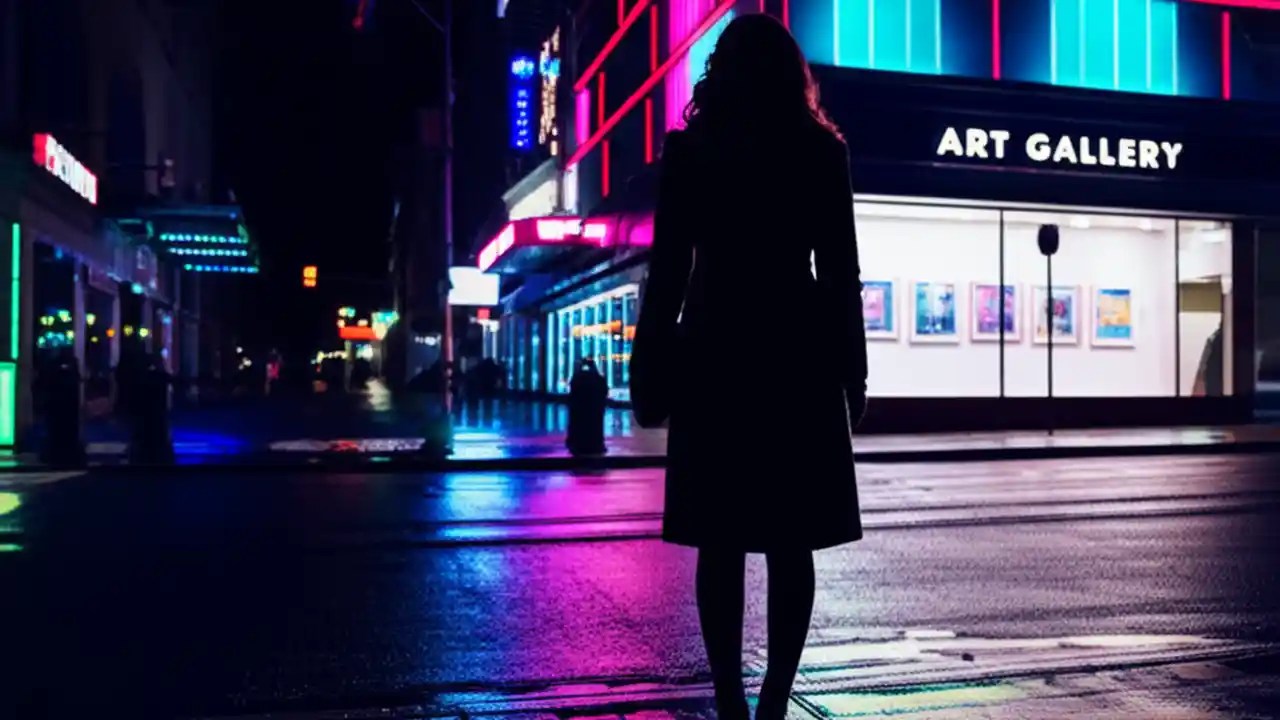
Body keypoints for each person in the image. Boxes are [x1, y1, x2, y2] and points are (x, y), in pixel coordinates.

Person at [629, 15, 868, 720]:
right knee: (793, 541)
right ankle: (774, 701)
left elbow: (668, 273)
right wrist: (853, 373)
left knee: (721, 537)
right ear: (793, 76)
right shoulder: (820, 152)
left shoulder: (693, 150)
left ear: (720, 73)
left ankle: (730, 698)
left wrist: (650, 363)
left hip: (716, 351)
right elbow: (841, 275)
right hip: (797, 358)